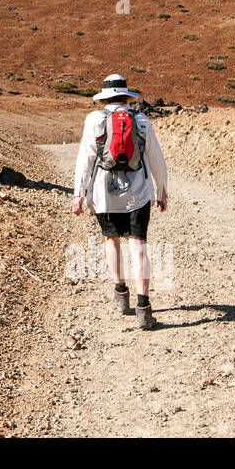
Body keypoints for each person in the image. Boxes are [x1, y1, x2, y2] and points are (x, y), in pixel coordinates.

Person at [71, 74, 168, 329]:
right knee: (139, 246)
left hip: (105, 193)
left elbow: (86, 158)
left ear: (104, 97)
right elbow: (156, 156)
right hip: (138, 192)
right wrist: (162, 189)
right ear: (126, 96)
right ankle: (144, 308)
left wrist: (78, 193)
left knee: (111, 240)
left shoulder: (94, 120)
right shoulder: (142, 119)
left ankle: (120, 294)